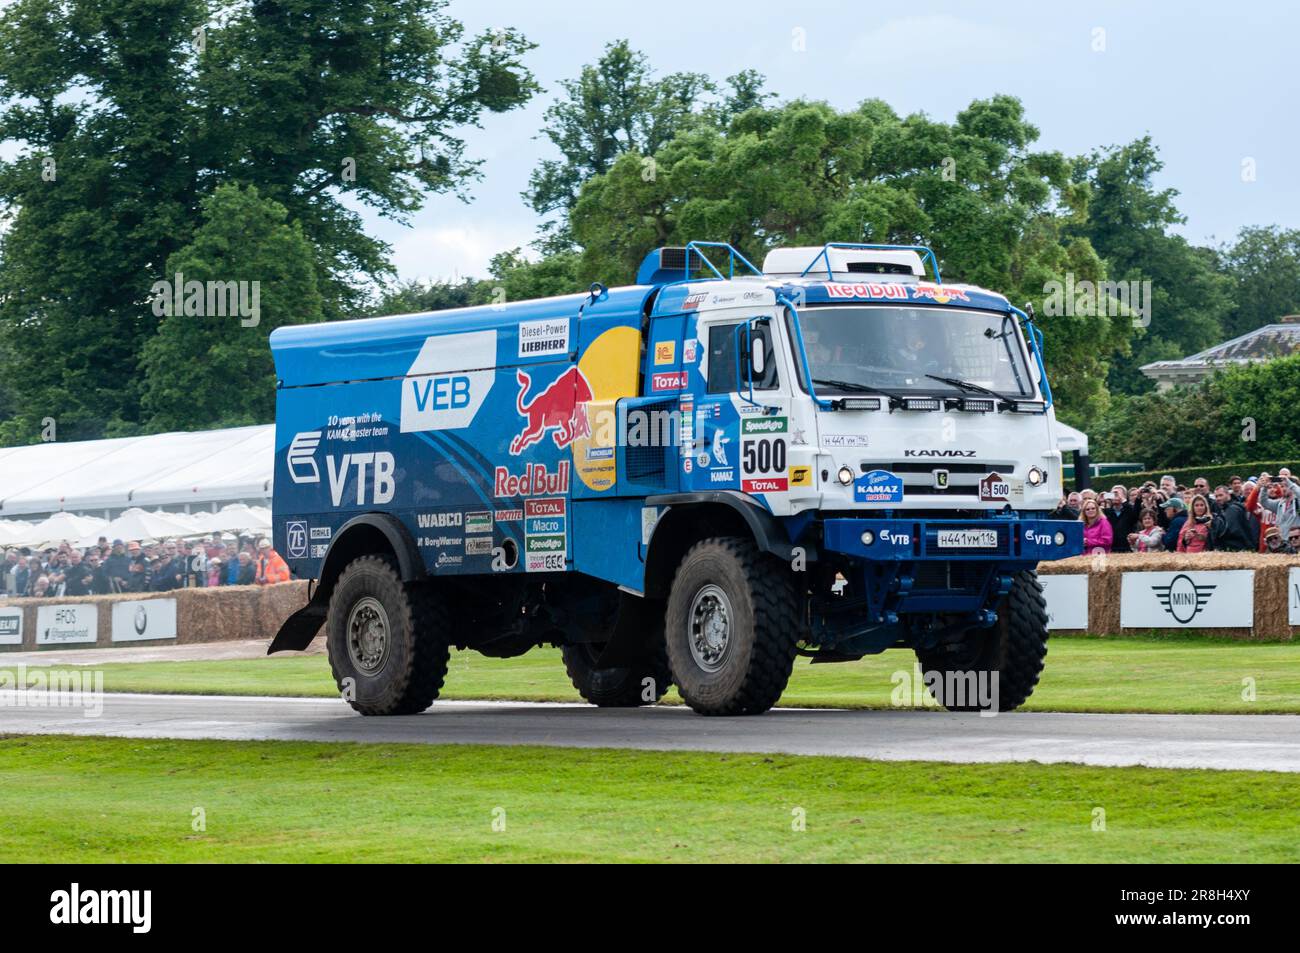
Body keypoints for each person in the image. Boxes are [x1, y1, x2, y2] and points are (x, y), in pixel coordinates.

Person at [1211, 486, 1258, 551]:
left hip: (1237, 548)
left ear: (1228, 494)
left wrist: (1213, 525)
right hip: (1238, 547)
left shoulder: (1233, 509)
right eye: (1216, 496)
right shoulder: (1223, 508)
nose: (1218, 498)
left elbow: (1230, 530)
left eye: (1220, 495)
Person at [1103, 487, 1138, 553]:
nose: (1115, 496)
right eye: (1113, 494)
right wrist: (1102, 500)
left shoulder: (1129, 509)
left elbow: (1134, 516)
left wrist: (1123, 500)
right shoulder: (1108, 512)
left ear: (1124, 496)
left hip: (1127, 548)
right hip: (1112, 548)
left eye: (1117, 494)